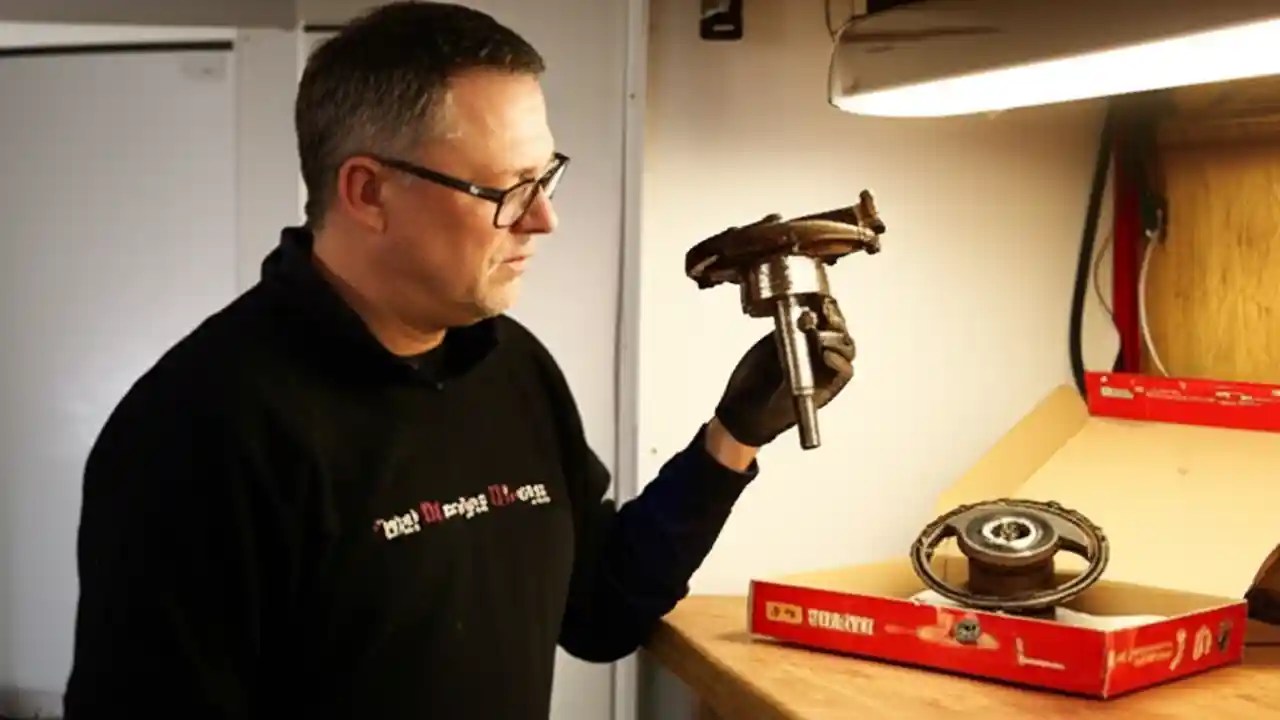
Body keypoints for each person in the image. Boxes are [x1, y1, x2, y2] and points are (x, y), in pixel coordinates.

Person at [62, 2, 855, 718]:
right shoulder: (195, 433)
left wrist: (734, 436)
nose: (544, 218)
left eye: (545, 175)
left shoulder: (511, 365)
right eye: (507, 189)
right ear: (368, 192)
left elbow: (598, 611)